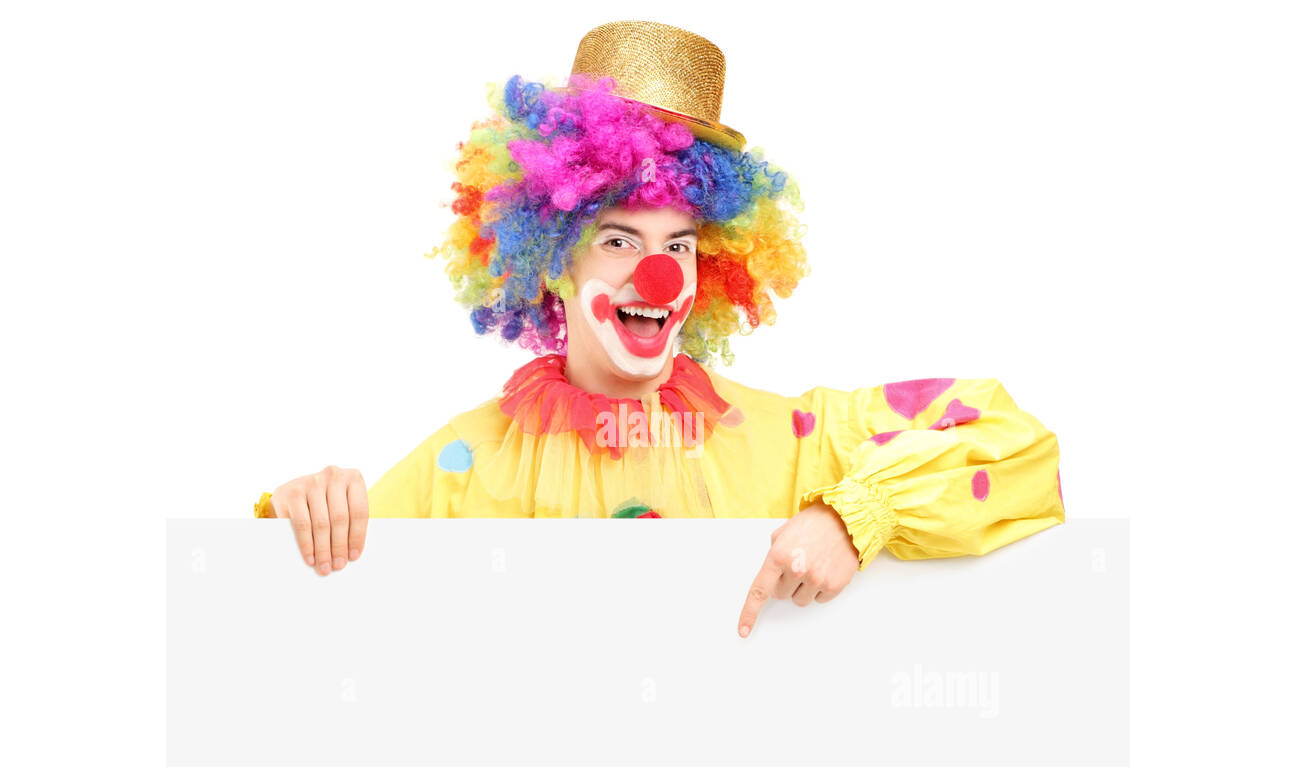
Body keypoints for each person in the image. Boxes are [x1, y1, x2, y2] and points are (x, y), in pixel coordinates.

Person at [254, 21, 1066, 638]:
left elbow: (1013, 441)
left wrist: (857, 516)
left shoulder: (792, 441)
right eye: (618, 240)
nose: (659, 275)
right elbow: (280, 612)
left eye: (678, 244)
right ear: (551, 261)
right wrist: (304, 515)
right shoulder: (465, 465)